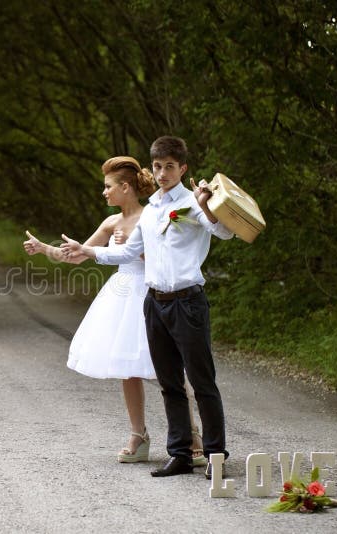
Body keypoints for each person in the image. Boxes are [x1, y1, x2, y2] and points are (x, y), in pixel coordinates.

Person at [60, 136, 233, 478]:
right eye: (157, 166)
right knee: (169, 382)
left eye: (170, 166)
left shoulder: (194, 202)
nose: (163, 173)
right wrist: (88, 250)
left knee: (201, 381)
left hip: (187, 301)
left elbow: (225, 232)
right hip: (154, 302)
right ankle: (180, 454)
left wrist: (206, 205)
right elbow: (127, 252)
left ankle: (215, 455)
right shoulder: (152, 208)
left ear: (182, 168)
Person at [23, 156, 207, 466]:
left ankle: (192, 435)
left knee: (171, 367)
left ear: (125, 187)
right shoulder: (110, 223)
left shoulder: (154, 213)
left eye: (108, 186)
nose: (104, 192)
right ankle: (138, 435)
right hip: (123, 296)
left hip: (155, 291)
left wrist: (133, 247)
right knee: (128, 368)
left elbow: (168, 257)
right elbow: (78, 255)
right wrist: (44, 248)